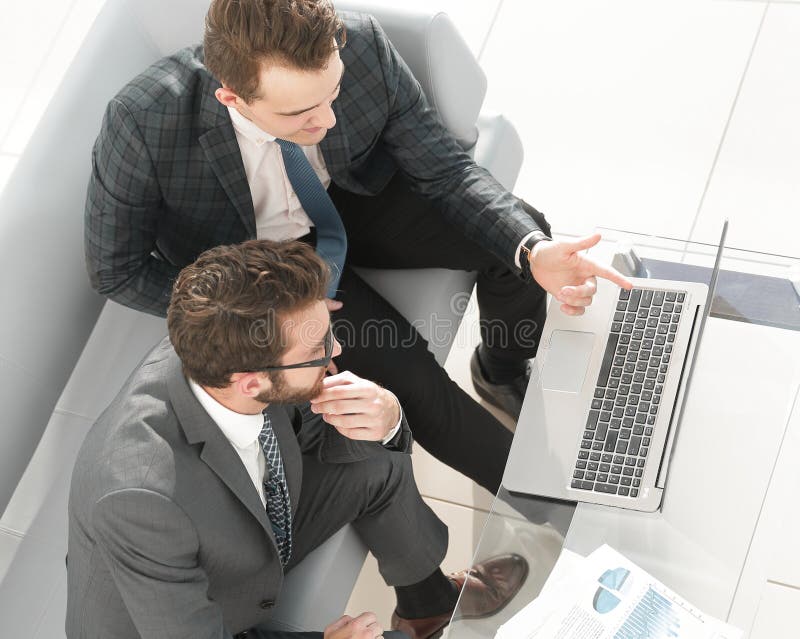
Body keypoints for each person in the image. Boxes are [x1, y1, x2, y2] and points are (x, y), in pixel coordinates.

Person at [84, 0, 631, 495]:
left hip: (350, 193)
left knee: (519, 236)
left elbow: (443, 169)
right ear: (232, 97)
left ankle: (502, 367)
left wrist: (532, 249)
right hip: (264, 270)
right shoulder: (142, 123)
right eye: (299, 113)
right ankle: (553, 505)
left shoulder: (361, 42)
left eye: (333, 95)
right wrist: (267, 316)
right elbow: (118, 271)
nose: (325, 120)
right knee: (415, 384)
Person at [66, 239, 529, 639]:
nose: (337, 353)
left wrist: (388, 419)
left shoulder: (225, 346)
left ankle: (429, 605)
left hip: (251, 520)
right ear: (252, 383)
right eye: (318, 351)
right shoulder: (139, 501)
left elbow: (319, 428)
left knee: (376, 460)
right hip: (196, 610)